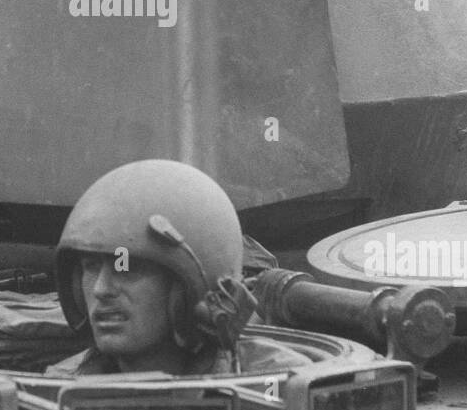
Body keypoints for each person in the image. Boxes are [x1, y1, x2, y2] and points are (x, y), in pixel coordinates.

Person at [47, 159, 311, 376]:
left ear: (191, 290)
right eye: (90, 267)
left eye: (126, 268)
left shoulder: (279, 386)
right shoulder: (56, 389)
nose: (101, 290)